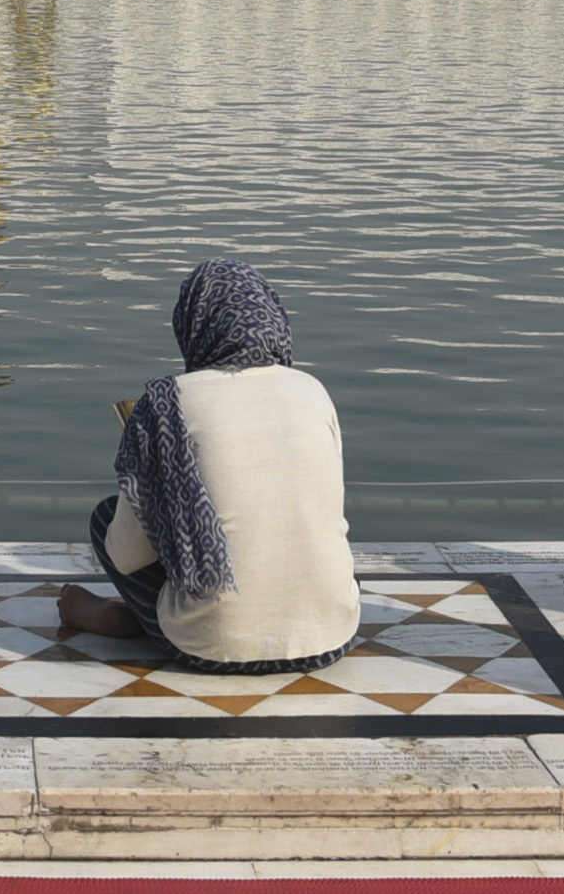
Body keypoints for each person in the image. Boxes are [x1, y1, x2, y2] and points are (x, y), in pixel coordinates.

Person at [56, 258, 361, 670]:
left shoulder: (165, 404)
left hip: (212, 649)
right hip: (332, 637)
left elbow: (126, 557)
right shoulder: (313, 391)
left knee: (106, 518)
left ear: (191, 322)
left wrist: (160, 482)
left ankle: (136, 620)